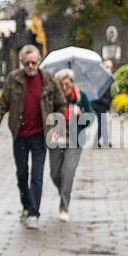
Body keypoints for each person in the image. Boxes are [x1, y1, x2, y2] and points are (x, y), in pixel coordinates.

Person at [0, 44, 67, 229]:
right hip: (20, 135)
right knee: (22, 174)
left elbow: (61, 105)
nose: (31, 66)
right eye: (27, 63)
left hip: (41, 134)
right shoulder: (13, 79)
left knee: (37, 175)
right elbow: (2, 104)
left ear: (39, 61)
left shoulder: (48, 79)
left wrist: (56, 128)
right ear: (22, 63)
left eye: (34, 62)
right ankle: (26, 205)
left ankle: (34, 213)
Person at [49, 68, 92, 221]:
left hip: (75, 142)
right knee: (55, 174)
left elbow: (91, 118)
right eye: (63, 85)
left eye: (68, 84)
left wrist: (82, 115)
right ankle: (65, 191)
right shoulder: (53, 98)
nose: (66, 88)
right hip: (56, 141)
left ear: (73, 83)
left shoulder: (81, 97)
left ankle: (64, 207)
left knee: (68, 172)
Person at [96, 58, 115, 148]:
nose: (109, 69)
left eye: (110, 67)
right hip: (99, 104)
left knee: (103, 122)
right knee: (101, 122)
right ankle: (98, 141)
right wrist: (106, 101)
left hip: (103, 104)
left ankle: (103, 141)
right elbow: (100, 93)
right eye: (107, 67)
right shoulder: (101, 77)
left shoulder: (108, 77)